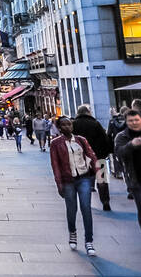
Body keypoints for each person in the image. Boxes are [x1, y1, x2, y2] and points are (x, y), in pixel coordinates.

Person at [49, 117, 100, 256]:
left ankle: (89, 241)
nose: (67, 127)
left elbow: (92, 156)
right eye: (64, 125)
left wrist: (99, 176)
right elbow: (55, 165)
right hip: (67, 180)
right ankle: (72, 233)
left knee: (86, 209)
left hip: (83, 178)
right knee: (71, 210)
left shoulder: (81, 140)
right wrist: (59, 184)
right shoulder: (55, 143)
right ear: (59, 128)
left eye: (69, 124)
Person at [114, 109, 141, 252]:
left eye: (136, 120)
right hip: (137, 181)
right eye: (130, 121)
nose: (134, 123)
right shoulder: (122, 136)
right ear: (126, 122)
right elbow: (119, 153)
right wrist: (132, 144)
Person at [70, 105, 114, 211]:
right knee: (102, 180)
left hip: (81, 158)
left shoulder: (73, 125)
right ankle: (105, 201)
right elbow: (105, 140)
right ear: (88, 112)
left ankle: (86, 203)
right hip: (98, 156)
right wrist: (106, 152)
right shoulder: (95, 124)